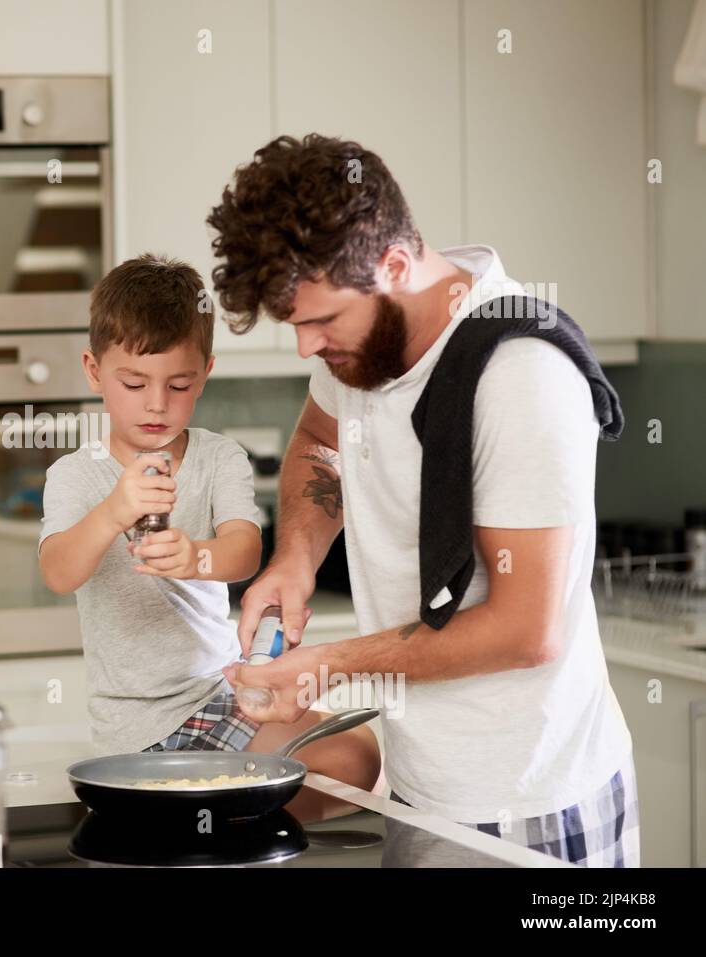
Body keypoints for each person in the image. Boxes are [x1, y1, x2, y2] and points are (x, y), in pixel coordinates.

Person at [211, 134, 637, 866]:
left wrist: (324, 665)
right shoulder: (364, 342)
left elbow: (524, 628)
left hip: (528, 801)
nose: (306, 349)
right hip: (419, 783)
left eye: (320, 322)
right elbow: (320, 441)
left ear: (396, 265)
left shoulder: (519, 371)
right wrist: (295, 558)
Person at [38, 253, 381, 821]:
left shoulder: (219, 457)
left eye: (178, 384)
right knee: (188, 808)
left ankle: (226, 836)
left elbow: (245, 551)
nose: (156, 403)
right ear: (94, 371)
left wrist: (197, 556)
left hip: (221, 693)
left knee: (356, 758)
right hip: (136, 726)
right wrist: (113, 511)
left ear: (206, 373)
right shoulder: (75, 474)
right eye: (133, 382)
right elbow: (58, 572)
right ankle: (206, 826)